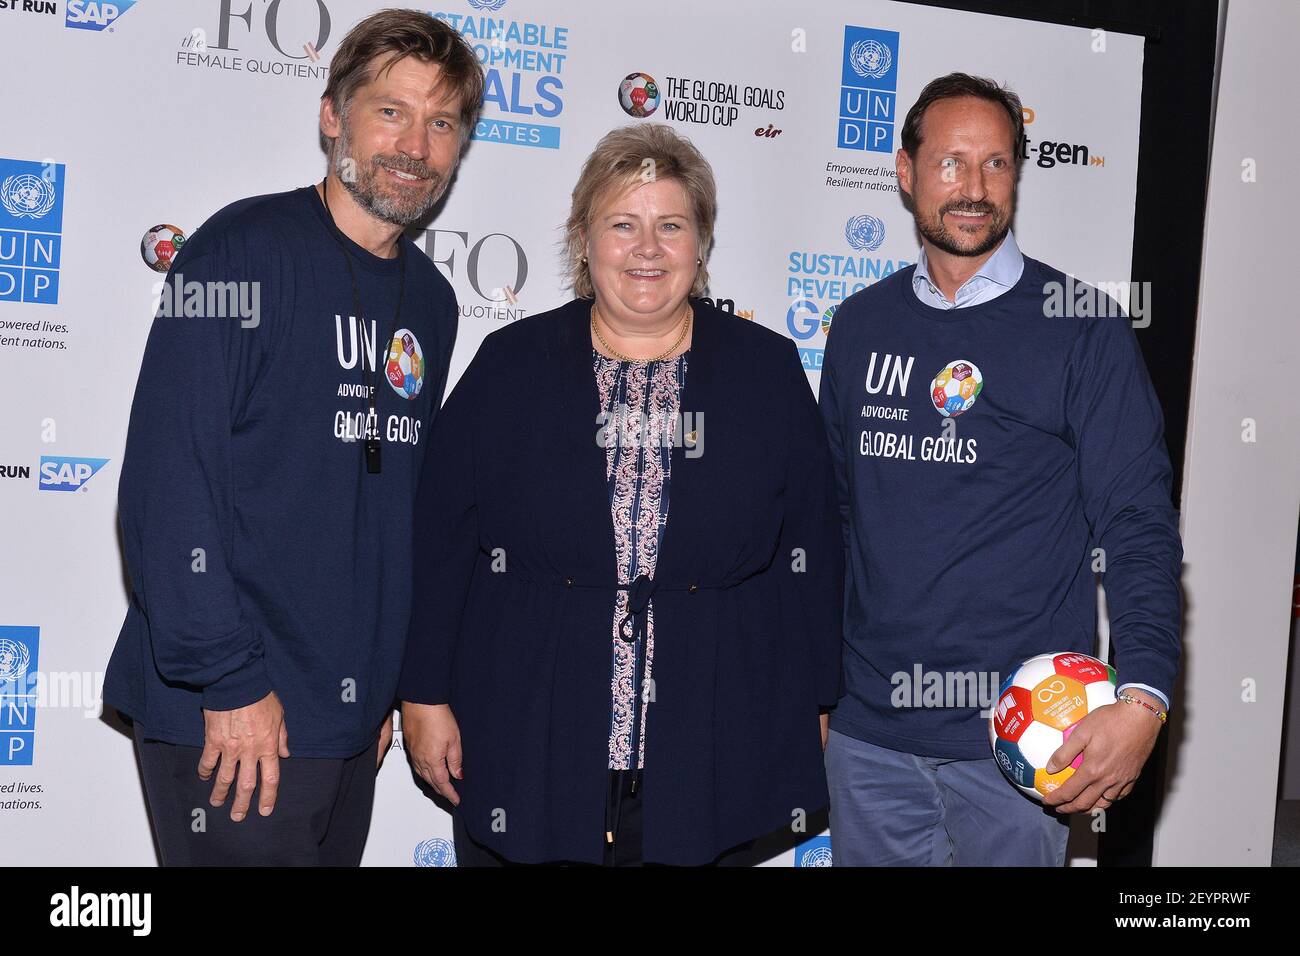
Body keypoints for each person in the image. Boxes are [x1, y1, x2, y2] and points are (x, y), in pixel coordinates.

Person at [398, 123, 843, 866]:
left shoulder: (766, 370)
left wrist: (817, 698)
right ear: (583, 240)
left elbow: (814, 549)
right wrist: (423, 694)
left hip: (713, 739)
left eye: (671, 225)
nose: (648, 248)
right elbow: (441, 540)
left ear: (700, 246)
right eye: (622, 225)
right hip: (528, 733)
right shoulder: (511, 366)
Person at [103, 10, 482, 866]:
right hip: (231, 711)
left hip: (343, 723)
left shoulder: (431, 301)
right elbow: (170, 485)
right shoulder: (241, 250)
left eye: (442, 122)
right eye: (391, 111)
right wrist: (229, 679)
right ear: (330, 115)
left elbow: (387, 508)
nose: (415, 144)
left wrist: (380, 691)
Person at [820, 73, 1182, 866]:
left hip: (1024, 744)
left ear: (1018, 173)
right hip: (870, 741)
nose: (973, 189)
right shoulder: (858, 324)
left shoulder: (1081, 327)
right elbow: (836, 519)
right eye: (950, 163)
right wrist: (821, 688)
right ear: (905, 172)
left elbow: (1138, 523)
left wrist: (1146, 697)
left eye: (995, 164)